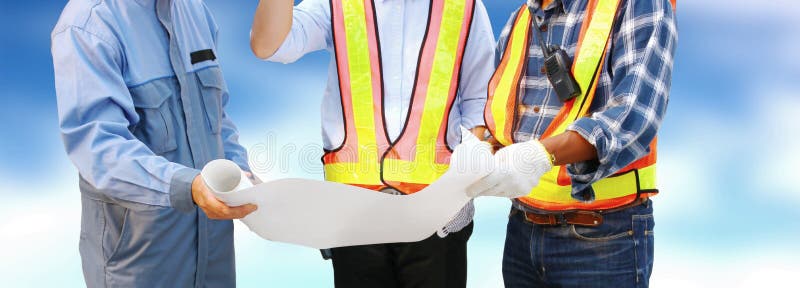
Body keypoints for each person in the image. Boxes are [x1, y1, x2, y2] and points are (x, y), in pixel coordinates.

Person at [250, 0, 494, 287]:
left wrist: (460, 188)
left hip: (436, 215)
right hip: (355, 214)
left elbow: (481, 99)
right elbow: (270, 46)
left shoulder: (464, 5)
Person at [467, 0, 677, 287]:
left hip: (603, 236)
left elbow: (634, 113)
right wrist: (482, 151)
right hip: (522, 230)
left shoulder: (637, 5)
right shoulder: (521, 18)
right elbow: (504, 119)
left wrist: (539, 155)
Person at [51, 0, 258, 286]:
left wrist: (238, 172)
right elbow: (98, 147)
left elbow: (217, 115)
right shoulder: (88, 24)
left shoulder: (194, 10)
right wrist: (189, 186)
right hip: (142, 263)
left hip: (215, 259)